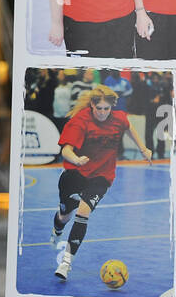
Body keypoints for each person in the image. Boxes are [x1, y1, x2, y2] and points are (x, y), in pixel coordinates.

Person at [51, 84, 154, 281]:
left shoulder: (119, 118)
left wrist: (143, 148)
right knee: (64, 215)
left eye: (107, 109)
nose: (103, 113)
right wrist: (76, 159)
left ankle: (66, 263)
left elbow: (129, 127)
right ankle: (57, 228)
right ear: (92, 105)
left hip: (102, 177)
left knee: (83, 212)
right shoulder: (80, 121)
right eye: (99, 108)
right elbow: (66, 150)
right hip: (75, 174)